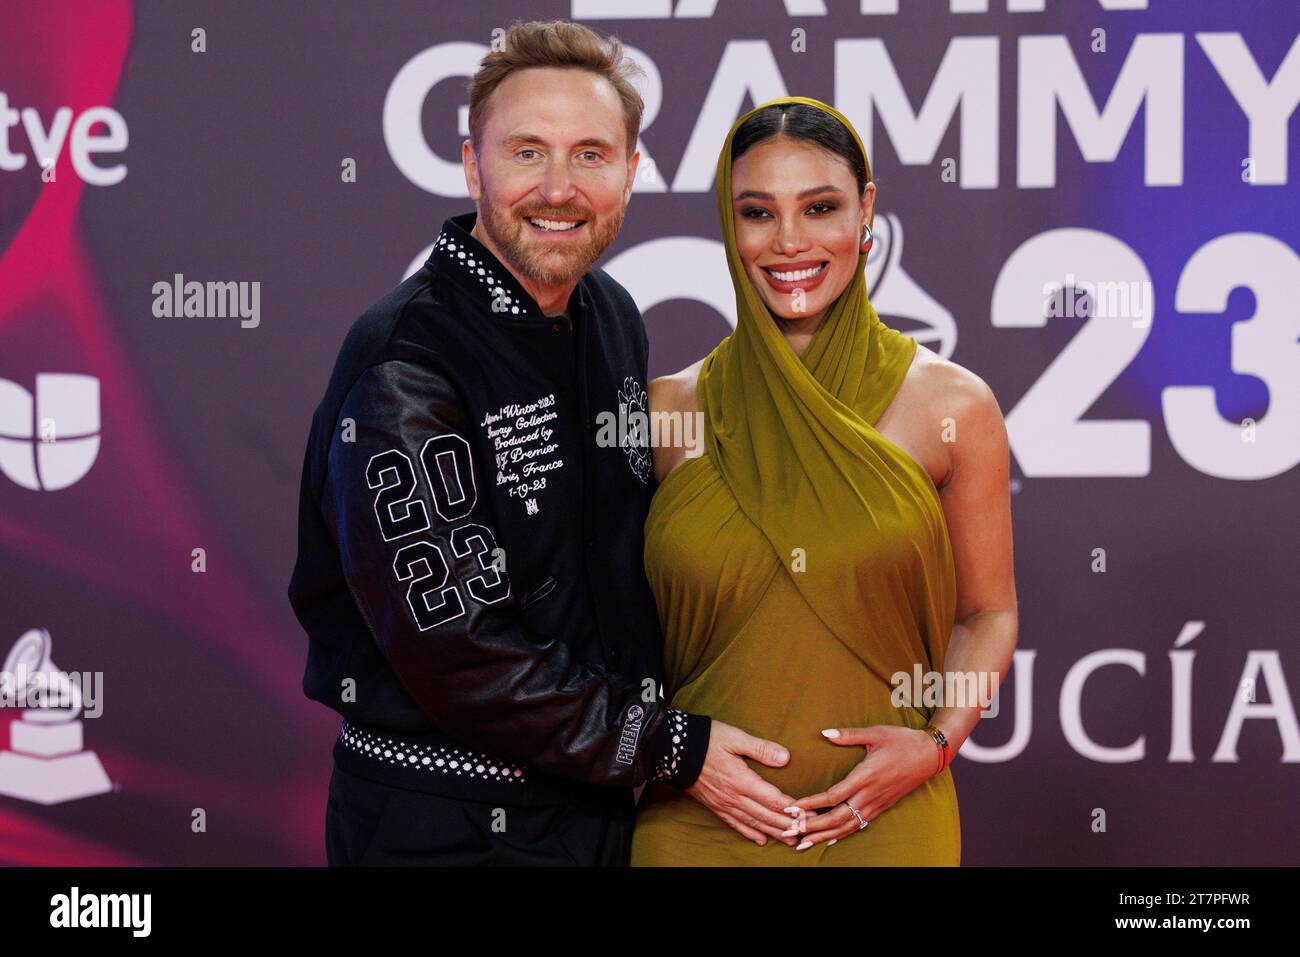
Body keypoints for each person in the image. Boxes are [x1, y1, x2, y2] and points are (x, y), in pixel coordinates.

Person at [287, 21, 804, 866]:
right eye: (528, 152)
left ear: (632, 174)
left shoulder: (610, 317)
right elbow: (454, 651)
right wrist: (667, 746)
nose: (559, 188)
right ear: (471, 165)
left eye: (591, 156)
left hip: (598, 807)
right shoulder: (405, 361)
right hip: (442, 823)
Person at [631, 96, 1019, 865]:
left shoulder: (954, 406)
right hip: (698, 825)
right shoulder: (664, 412)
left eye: (820, 207)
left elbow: (987, 613)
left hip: (887, 820)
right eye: (758, 212)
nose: (790, 242)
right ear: (727, 223)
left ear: (866, 211)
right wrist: (673, 753)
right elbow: (604, 640)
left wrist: (935, 745)